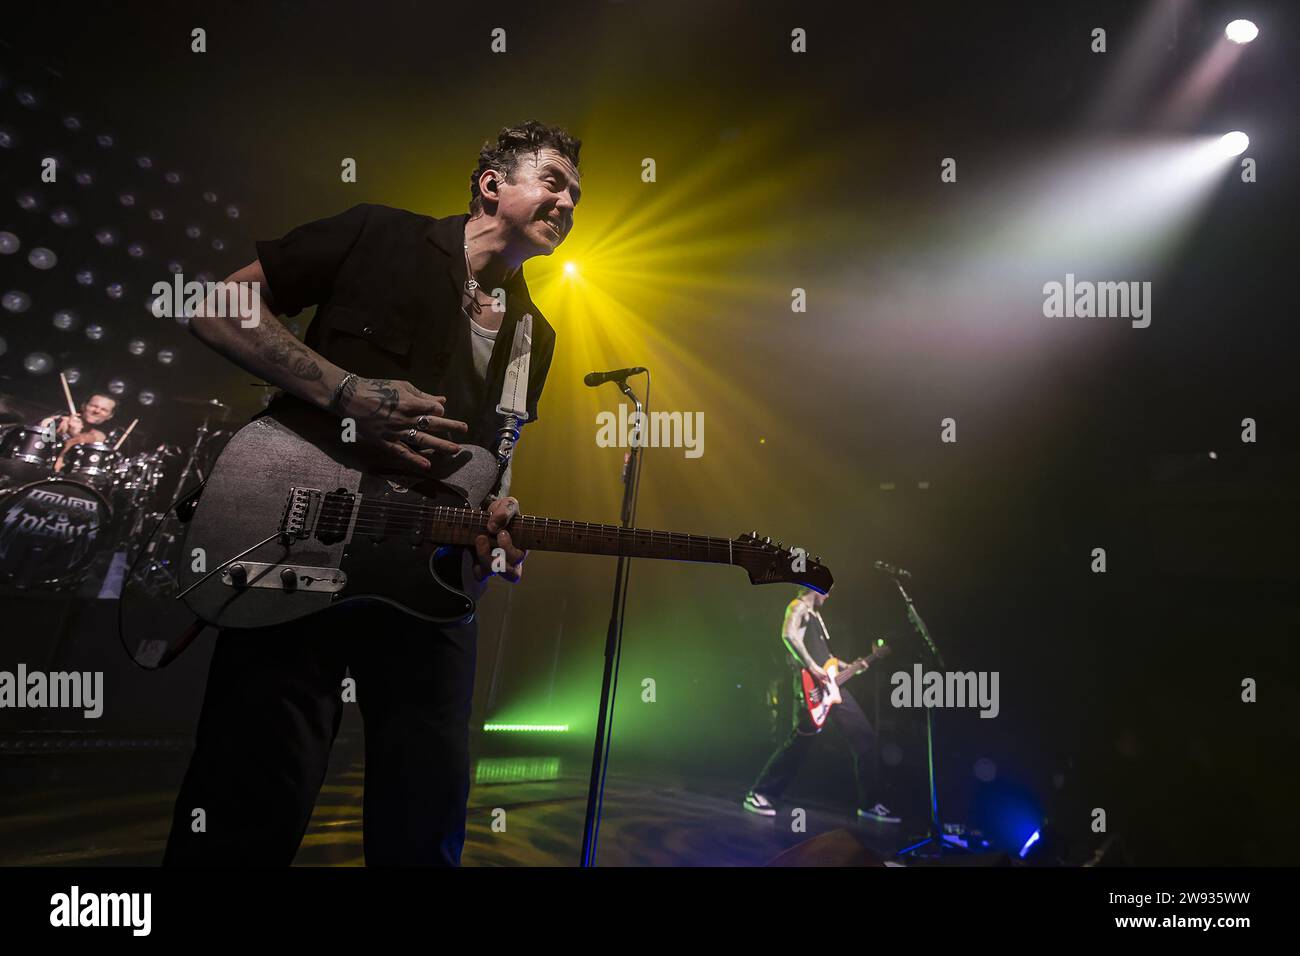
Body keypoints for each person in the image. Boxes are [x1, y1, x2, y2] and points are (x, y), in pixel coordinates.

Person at [163, 120, 581, 866]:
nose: (568, 202)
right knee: (249, 797)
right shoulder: (378, 235)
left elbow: (498, 453)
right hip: (301, 545)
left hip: (430, 581)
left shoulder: (534, 335)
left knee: (426, 816)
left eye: (577, 195)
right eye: (553, 181)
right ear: (492, 184)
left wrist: (501, 511)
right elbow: (212, 305)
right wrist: (344, 390)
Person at [744, 586, 900, 824]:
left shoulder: (817, 615)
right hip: (810, 686)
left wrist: (854, 665)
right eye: (826, 589)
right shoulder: (798, 607)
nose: (829, 594)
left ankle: (871, 804)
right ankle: (760, 793)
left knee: (865, 738)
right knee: (800, 742)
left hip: (832, 688)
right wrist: (812, 667)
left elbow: (827, 660)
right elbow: (788, 635)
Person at [39, 393, 117, 469]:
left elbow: (85, 441)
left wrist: (73, 434)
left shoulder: (100, 437)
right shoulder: (60, 421)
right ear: (83, 406)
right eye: (94, 406)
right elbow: (42, 441)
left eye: (104, 410)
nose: (97, 411)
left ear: (110, 416)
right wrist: (56, 425)